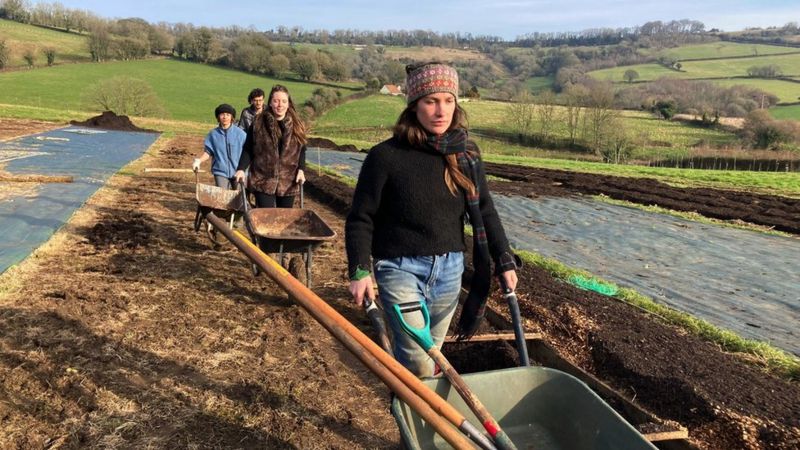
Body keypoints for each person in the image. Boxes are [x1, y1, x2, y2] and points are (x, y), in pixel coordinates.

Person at [345, 62, 519, 378]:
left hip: (450, 269)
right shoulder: (385, 157)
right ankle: (423, 416)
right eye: (431, 101)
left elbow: (486, 209)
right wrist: (359, 269)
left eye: (448, 100)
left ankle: (418, 414)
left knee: (433, 356)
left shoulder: (466, 153)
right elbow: (361, 217)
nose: (441, 110)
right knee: (417, 361)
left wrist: (504, 260)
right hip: (399, 269)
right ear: (414, 106)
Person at [235, 85, 307, 208]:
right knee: (266, 218)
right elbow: (248, 148)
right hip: (263, 179)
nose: (280, 105)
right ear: (270, 103)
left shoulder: (296, 125)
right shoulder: (258, 123)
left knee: (283, 219)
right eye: (276, 101)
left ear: (288, 103)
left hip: (288, 180)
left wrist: (301, 170)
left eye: (284, 101)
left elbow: (302, 149)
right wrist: (241, 169)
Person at [193, 104, 247, 189]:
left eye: (228, 115)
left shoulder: (241, 134)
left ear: (232, 117)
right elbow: (208, 152)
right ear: (218, 117)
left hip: (238, 171)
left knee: (239, 197)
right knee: (223, 195)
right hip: (220, 172)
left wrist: (244, 168)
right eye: (222, 114)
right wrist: (199, 161)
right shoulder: (213, 135)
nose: (225, 117)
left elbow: (247, 152)